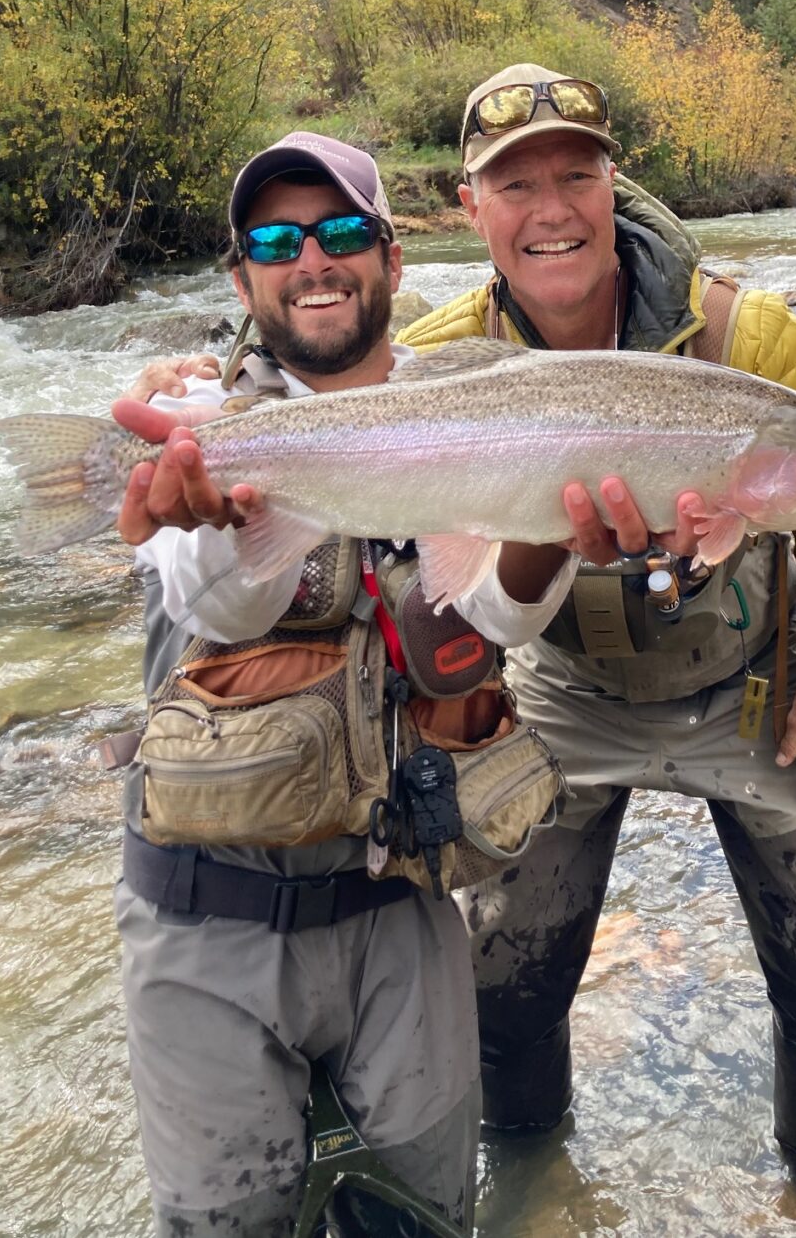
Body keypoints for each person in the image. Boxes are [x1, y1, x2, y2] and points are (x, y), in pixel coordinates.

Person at [400, 65, 796, 1183]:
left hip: (747, 692)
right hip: (562, 694)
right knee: (496, 981)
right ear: (468, 208)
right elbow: (385, 506)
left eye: (574, 175)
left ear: (611, 182)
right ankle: (531, 1181)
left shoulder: (747, 335)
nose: (550, 211)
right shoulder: (444, 354)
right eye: (515, 184)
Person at [107, 132, 590, 1238]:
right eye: (276, 240)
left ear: (391, 256)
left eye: (338, 233)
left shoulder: (476, 403)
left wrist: (561, 529)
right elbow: (218, 608)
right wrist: (215, 499)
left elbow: (498, 617)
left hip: (402, 905)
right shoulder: (194, 421)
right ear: (241, 278)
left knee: (428, 1215)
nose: (310, 260)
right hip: (205, 919)